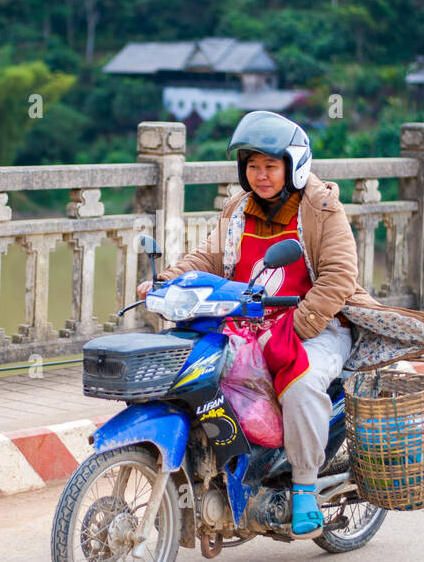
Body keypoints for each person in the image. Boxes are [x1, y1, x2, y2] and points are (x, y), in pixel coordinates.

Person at [135, 110, 365, 538]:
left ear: (293, 166)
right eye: (253, 166)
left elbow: (339, 278)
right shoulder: (239, 209)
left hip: (314, 324)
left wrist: (299, 326)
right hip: (248, 322)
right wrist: (168, 280)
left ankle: (303, 488)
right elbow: (209, 258)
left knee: (300, 383)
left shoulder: (322, 209)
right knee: (196, 368)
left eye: (270, 166)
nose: (261, 176)